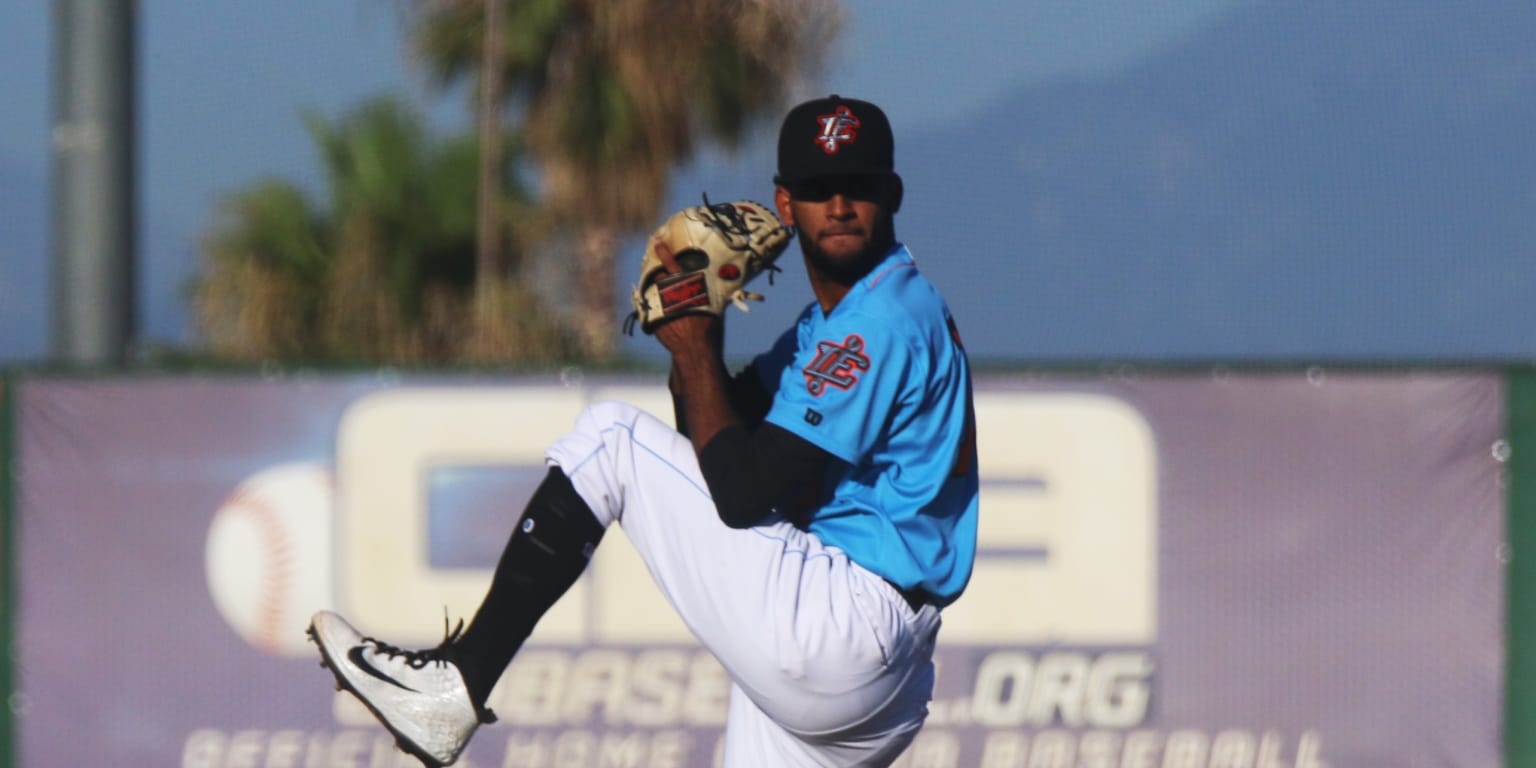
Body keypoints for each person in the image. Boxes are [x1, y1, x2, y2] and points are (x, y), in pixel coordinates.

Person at [309, 94, 979, 768]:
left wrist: (692, 349)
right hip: (877, 675)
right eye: (818, 187)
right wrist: (696, 340)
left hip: (843, 626)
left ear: (890, 194)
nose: (838, 206)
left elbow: (742, 496)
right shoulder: (839, 322)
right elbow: (716, 442)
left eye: (857, 186)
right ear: (785, 204)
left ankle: (459, 684)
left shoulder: (879, 321)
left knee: (611, 442)